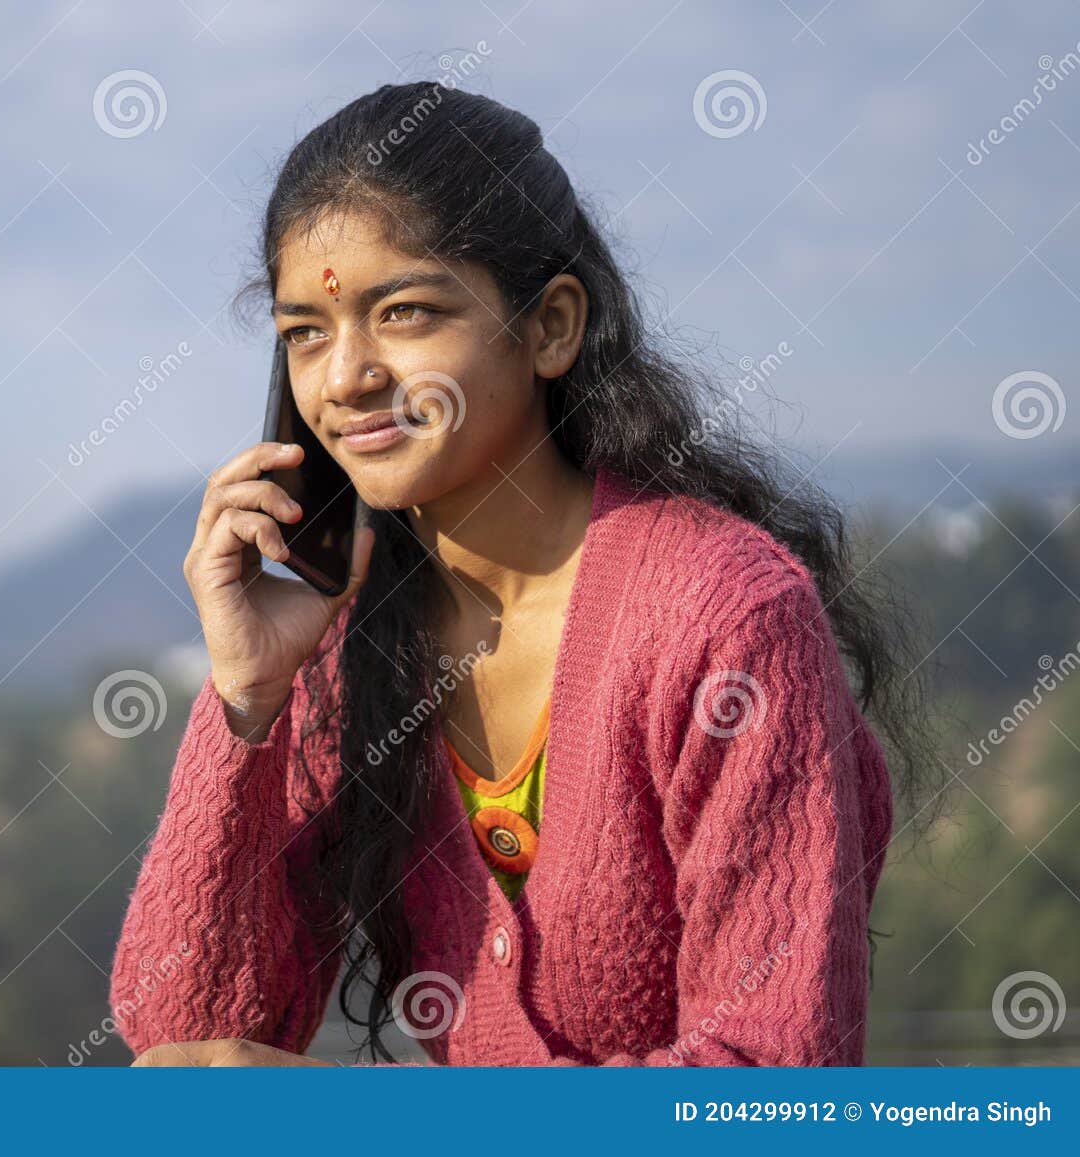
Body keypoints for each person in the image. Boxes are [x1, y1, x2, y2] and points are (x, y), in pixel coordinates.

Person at [109, 82, 932, 1066]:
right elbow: (189, 1035)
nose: (344, 376)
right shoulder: (350, 639)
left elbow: (771, 1084)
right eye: (305, 333)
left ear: (549, 327)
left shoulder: (725, 618)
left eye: (404, 312)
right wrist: (248, 695)